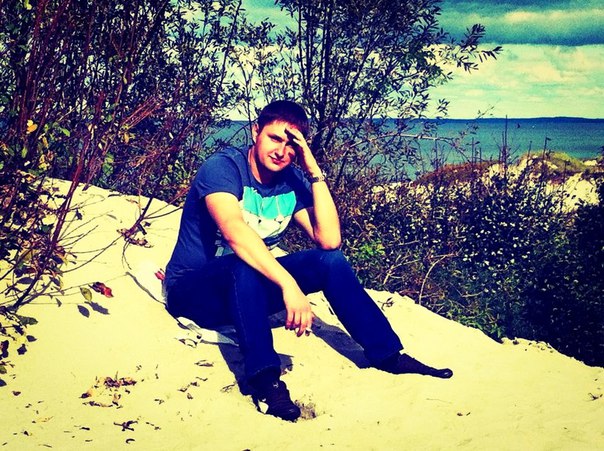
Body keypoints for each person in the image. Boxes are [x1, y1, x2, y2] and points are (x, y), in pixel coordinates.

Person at [164, 100, 452, 422]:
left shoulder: (291, 179)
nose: (281, 151)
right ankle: (266, 380)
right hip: (192, 293)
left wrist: (314, 172)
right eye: (274, 138)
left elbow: (329, 239)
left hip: (248, 294)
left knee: (330, 261)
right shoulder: (223, 168)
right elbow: (234, 232)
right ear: (256, 132)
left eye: (291, 145)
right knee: (242, 264)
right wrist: (288, 285)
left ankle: (386, 354)